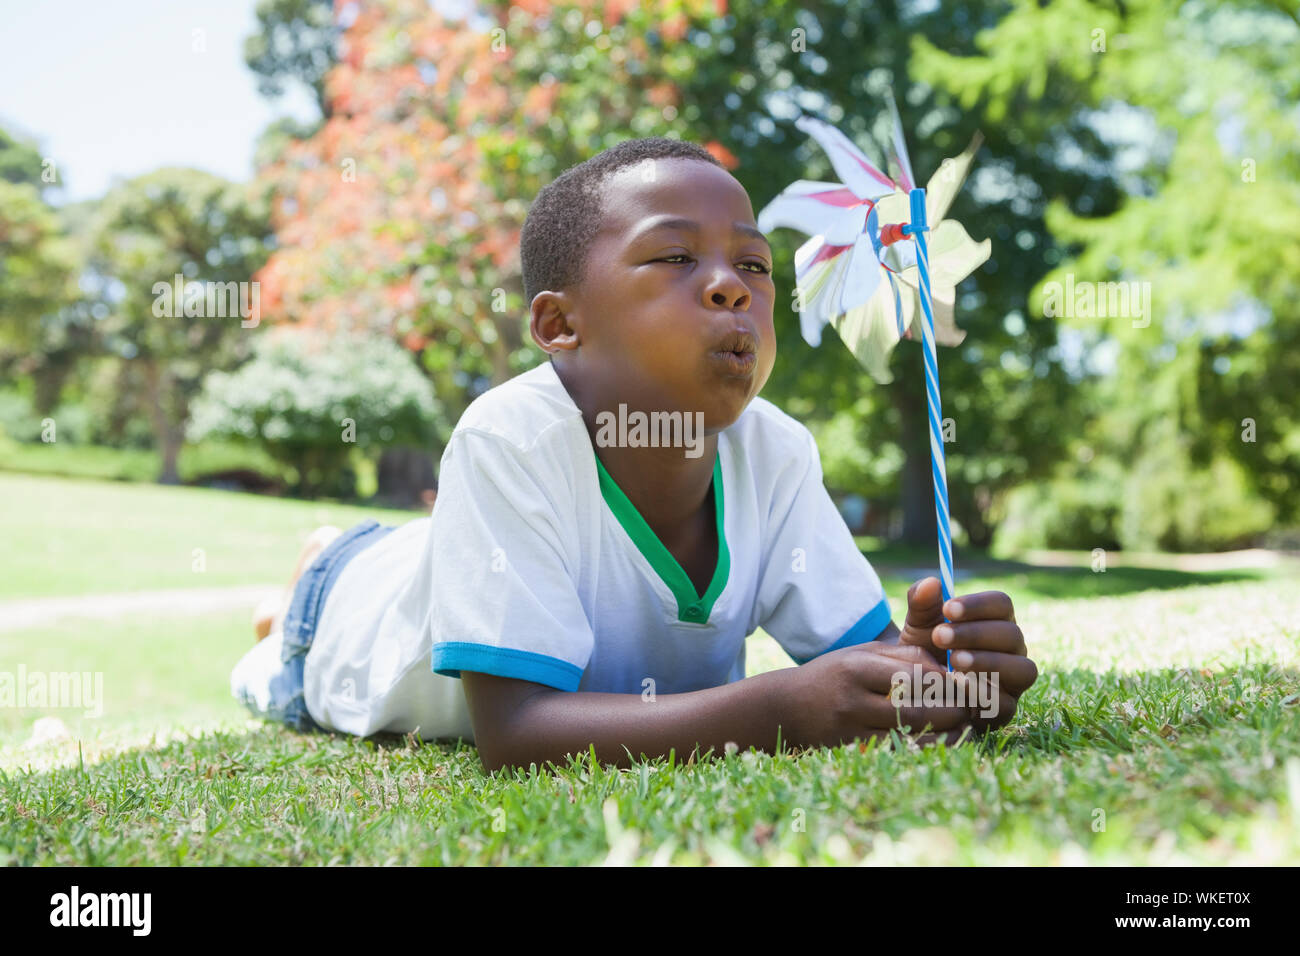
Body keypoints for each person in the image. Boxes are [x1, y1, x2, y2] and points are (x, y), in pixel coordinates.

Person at [231, 137, 1038, 772]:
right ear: (558, 327)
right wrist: (784, 710)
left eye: (753, 265)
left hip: (437, 560)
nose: (732, 287)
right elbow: (516, 734)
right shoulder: (507, 437)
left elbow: (858, 663)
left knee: (412, 558)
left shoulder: (779, 450)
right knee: (287, 638)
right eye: (676, 257)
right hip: (346, 622)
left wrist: (938, 669)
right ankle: (307, 579)